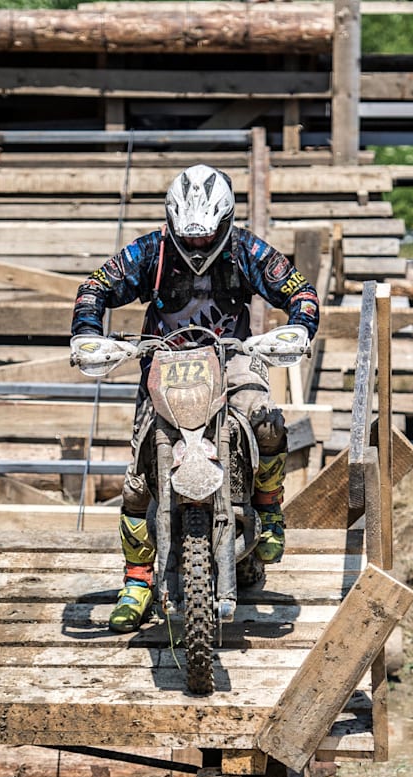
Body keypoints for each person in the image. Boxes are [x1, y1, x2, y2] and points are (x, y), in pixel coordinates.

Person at [71, 164, 320, 632]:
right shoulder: (151, 250)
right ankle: (138, 580)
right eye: (191, 237)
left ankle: (267, 508)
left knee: (267, 422)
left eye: (207, 237)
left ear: (226, 221)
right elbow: (95, 287)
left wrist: (297, 329)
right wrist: (87, 334)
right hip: (164, 363)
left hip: (232, 359)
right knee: (137, 480)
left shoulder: (246, 249)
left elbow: (300, 292)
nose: (199, 245)